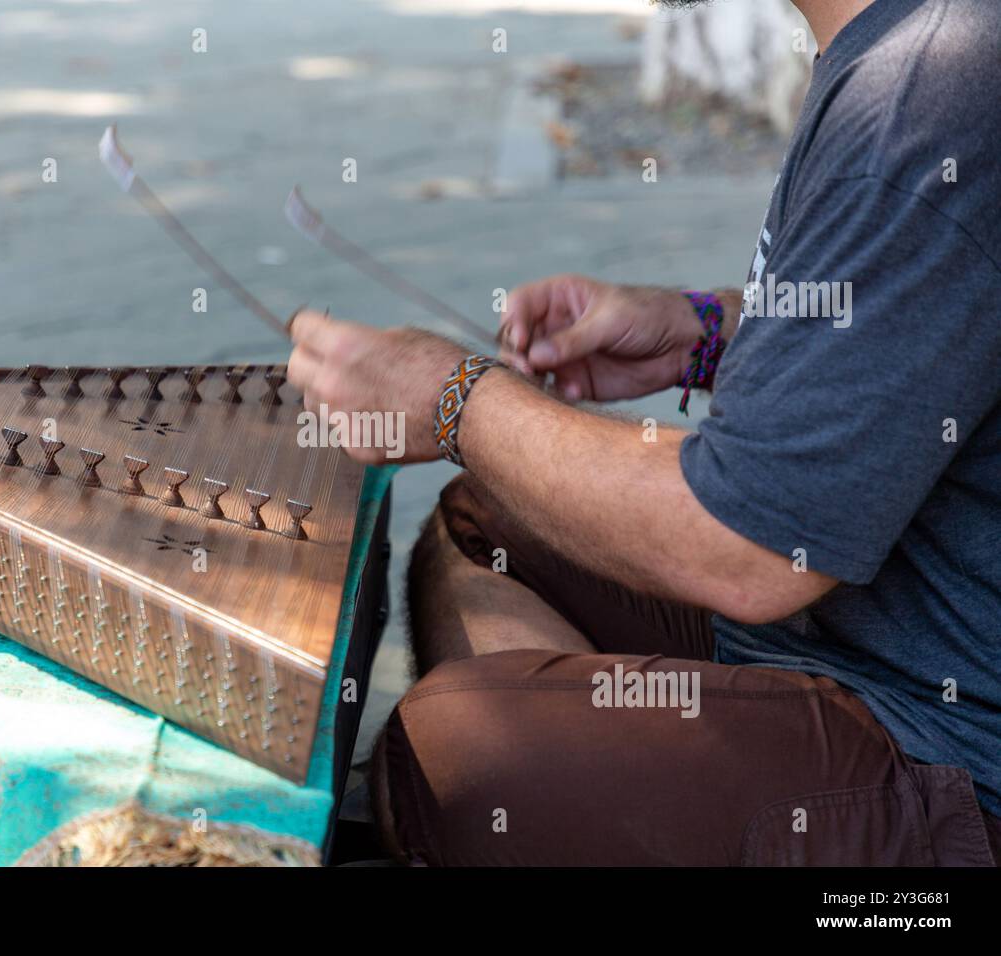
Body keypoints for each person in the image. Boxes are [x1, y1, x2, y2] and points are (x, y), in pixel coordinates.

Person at [285, 0, 1001, 865]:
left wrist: (453, 398)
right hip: (844, 636)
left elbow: (747, 554)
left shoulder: (931, 87)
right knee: (490, 521)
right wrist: (705, 332)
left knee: (454, 758)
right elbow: (921, 321)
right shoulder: (912, 45)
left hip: (958, 763)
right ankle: (601, 785)